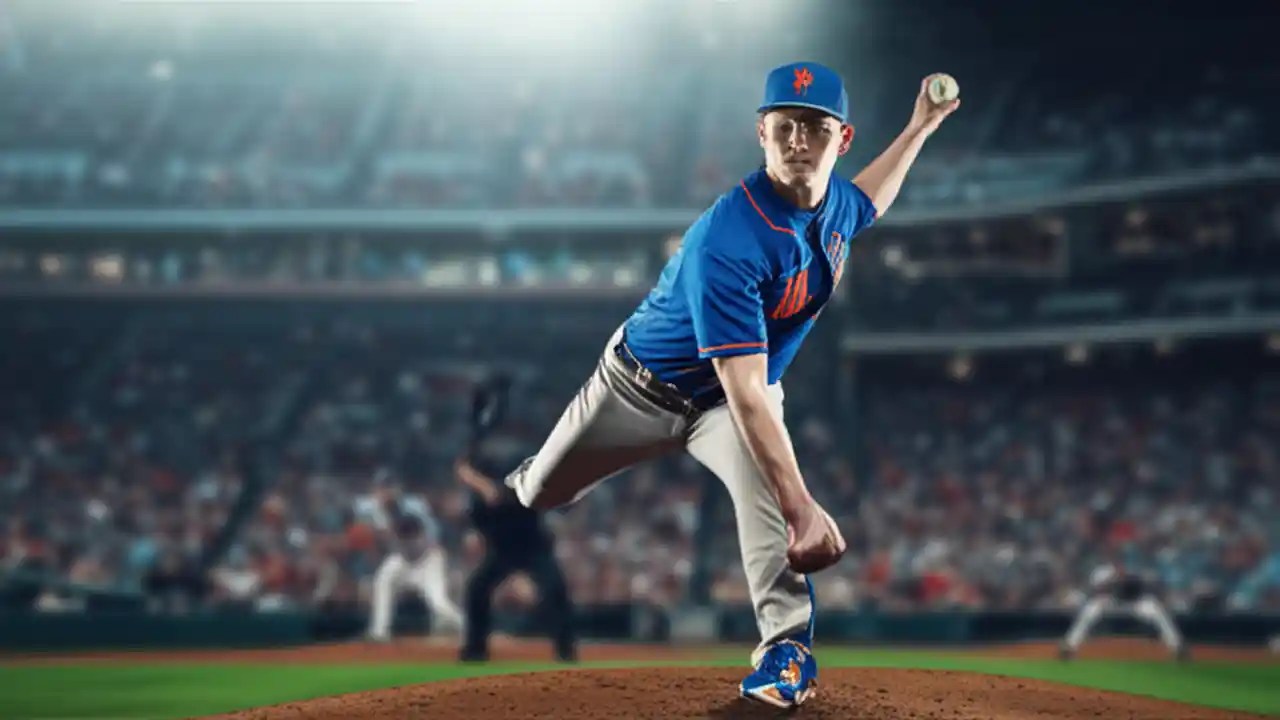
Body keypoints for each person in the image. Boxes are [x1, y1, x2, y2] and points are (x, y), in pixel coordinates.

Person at [498, 62, 958, 707]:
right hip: (636, 389)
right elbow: (742, 387)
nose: (799, 140)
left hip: (728, 405)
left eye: (815, 128)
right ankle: (531, 470)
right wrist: (806, 508)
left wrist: (919, 127)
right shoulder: (731, 236)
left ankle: (785, 653)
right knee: (539, 494)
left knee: (768, 487)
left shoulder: (835, 209)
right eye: (785, 126)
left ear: (842, 140)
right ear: (761, 134)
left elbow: (869, 200)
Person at [455, 377, 577, 662]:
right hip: (502, 545)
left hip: (531, 541)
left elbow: (507, 490)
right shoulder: (484, 450)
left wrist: (484, 484)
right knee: (477, 590)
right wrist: (481, 485)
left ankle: (566, 652)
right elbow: (465, 469)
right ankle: (475, 650)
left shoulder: (524, 457)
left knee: (555, 590)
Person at [363, 472, 465, 643]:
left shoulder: (413, 505)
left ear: (397, 489)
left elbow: (413, 529)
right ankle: (379, 632)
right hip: (402, 558)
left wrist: (385, 529)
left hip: (427, 559)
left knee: (438, 603)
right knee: (383, 580)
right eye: (381, 488)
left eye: (388, 488)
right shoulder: (373, 509)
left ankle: (472, 628)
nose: (385, 492)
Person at [1060, 559, 1189, 661]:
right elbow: (1097, 589)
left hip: (1134, 603)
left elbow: (1139, 588)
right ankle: (1069, 646)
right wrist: (1110, 583)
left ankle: (1177, 647)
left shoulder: (1131, 573)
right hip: (1111, 603)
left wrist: (1123, 580)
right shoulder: (1103, 571)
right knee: (1089, 610)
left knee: (1156, 610)